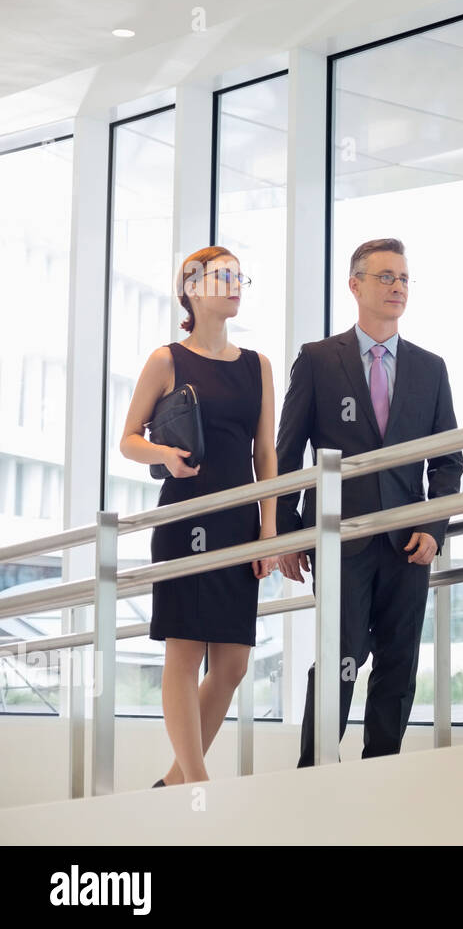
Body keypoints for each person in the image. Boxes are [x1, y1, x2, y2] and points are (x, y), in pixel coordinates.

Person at [275, 237, 463, 765]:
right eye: (385, 277)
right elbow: (287, 453)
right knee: (339, 656)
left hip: (408, 541)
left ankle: (381, 772)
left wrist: (435, 525)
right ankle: (313, 773)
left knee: (399, 665)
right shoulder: (317, 360)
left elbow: (446, 460)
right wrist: (289, 533)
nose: (397, 287)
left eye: (404, 278)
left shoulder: (431, 369)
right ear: (355, 285)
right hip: (340, 539)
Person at [118, 246, 279, 787]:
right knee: (185, 654)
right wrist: (163, 456)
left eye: (240, 276)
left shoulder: (258, 366)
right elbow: (128, 440)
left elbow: (266, 456)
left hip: (238, 522)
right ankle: (198, 783)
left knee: (231, 663)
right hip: (185, 518)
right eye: (223, 276)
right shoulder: (166, 360)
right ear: (191, 287)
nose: (236, 284)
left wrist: (269, 529)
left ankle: (174, 781)